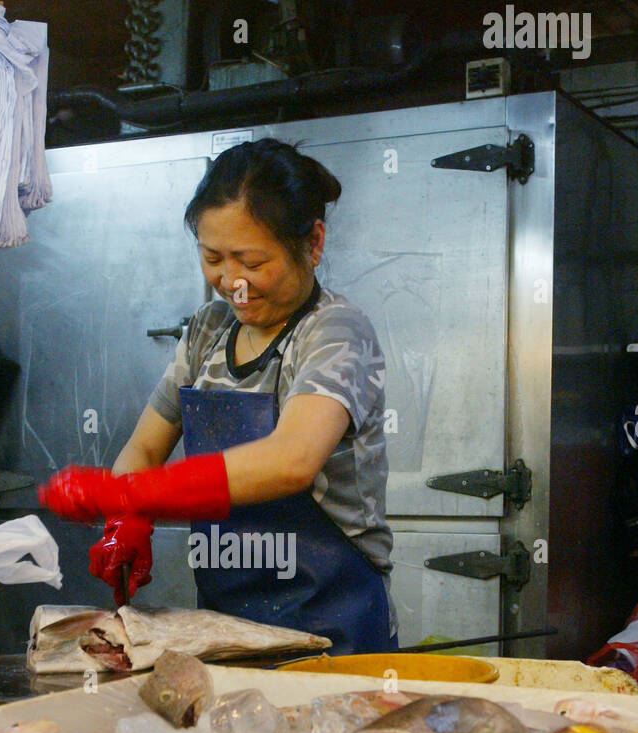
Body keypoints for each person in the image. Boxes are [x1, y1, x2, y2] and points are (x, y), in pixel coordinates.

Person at [39, 137, 397, 654]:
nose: (233, 283)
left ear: (313, 243)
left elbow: (291, 460)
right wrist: (126, 521)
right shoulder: (207, 331)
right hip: (228, 629)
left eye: (251, 262)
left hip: (333, 627)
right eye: (213, 258)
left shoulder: (335, 333)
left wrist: (131, 494)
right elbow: (143, 449)